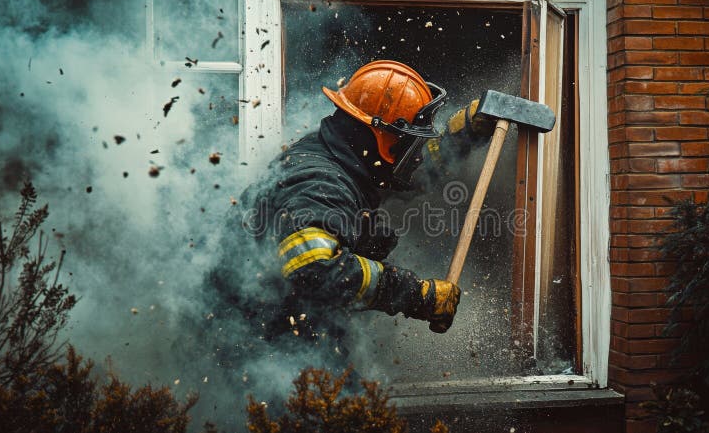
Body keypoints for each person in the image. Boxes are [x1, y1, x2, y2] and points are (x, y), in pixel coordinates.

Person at [202, 60, 492, 366]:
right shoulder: (320, 181)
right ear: (383, 138)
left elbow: (403, 171)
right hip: (251, 349)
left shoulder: (343, 153)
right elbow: (316, 270)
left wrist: (462, 136)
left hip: (268, 331)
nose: (416, 151)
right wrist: (415, 294)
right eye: (412, 142)